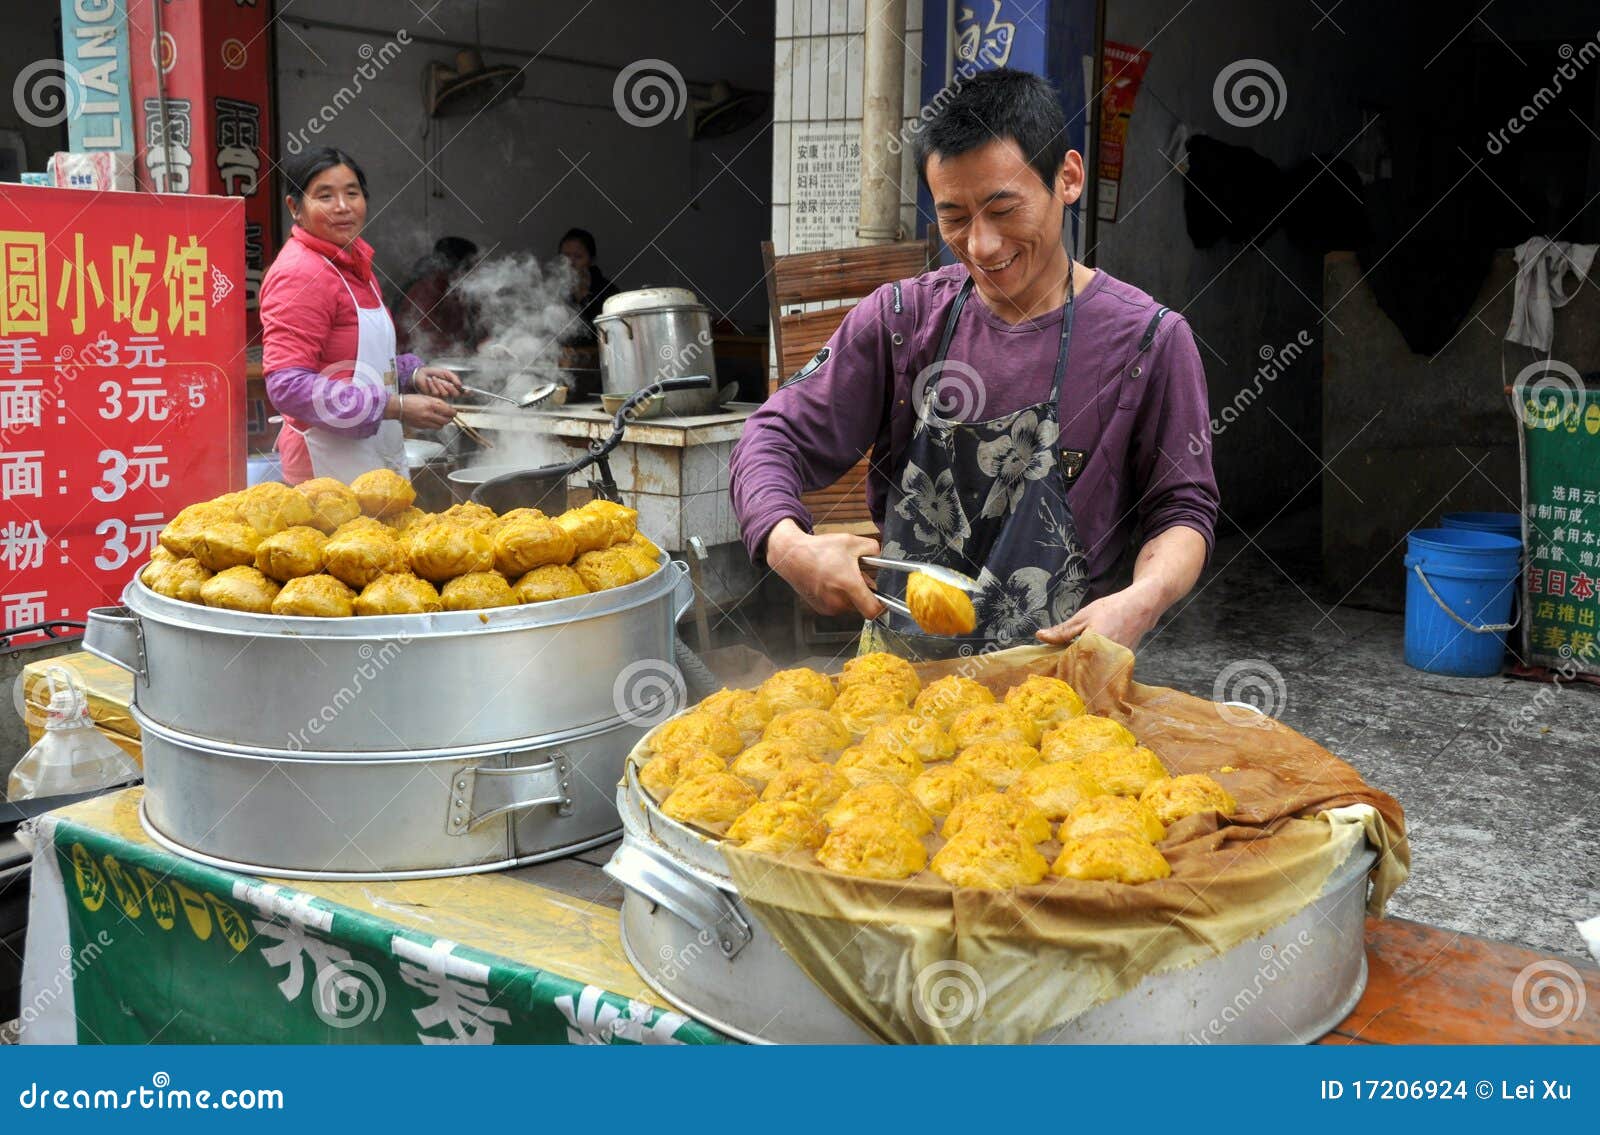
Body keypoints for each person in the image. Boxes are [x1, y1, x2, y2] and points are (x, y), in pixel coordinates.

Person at [729, 68, 1219, 660]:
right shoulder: (900, 323)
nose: (981, 246)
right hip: (899, 689)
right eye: (954, 217)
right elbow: (770, 438)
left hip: (1062, 691)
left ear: (1067, 178)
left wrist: (1144, 597)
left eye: (1003, 208)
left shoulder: (1149, 343)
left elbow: (1182, 509)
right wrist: (789, 547)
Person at [259, 147, 463, 485]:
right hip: (325, 473)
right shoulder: (299, 272)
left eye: (351, 193)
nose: (342, 206)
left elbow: (356, 361)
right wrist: (395, 406)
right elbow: (287, 386)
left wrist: (412, 374)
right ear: (295, 207)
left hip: (370, 461)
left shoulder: (355, 264)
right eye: (325, 195)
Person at [395, 236, 483, 357]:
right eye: (472, 267)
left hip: (453, 359)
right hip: (415, 364)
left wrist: (488, 344)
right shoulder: (426, 290)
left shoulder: (463, 291)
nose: (476, 273)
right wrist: (461, 350)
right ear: (458, 269)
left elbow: (480, 327)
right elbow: (420, 337)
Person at [556, 227, 619, 366]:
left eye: (578, 256)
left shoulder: (608, 295)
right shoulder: (554, 293)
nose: (570, 263)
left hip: (601, 372)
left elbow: (618, 345)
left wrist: (580, 354)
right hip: (563, 372)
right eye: (565, 256)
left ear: (591, 260)